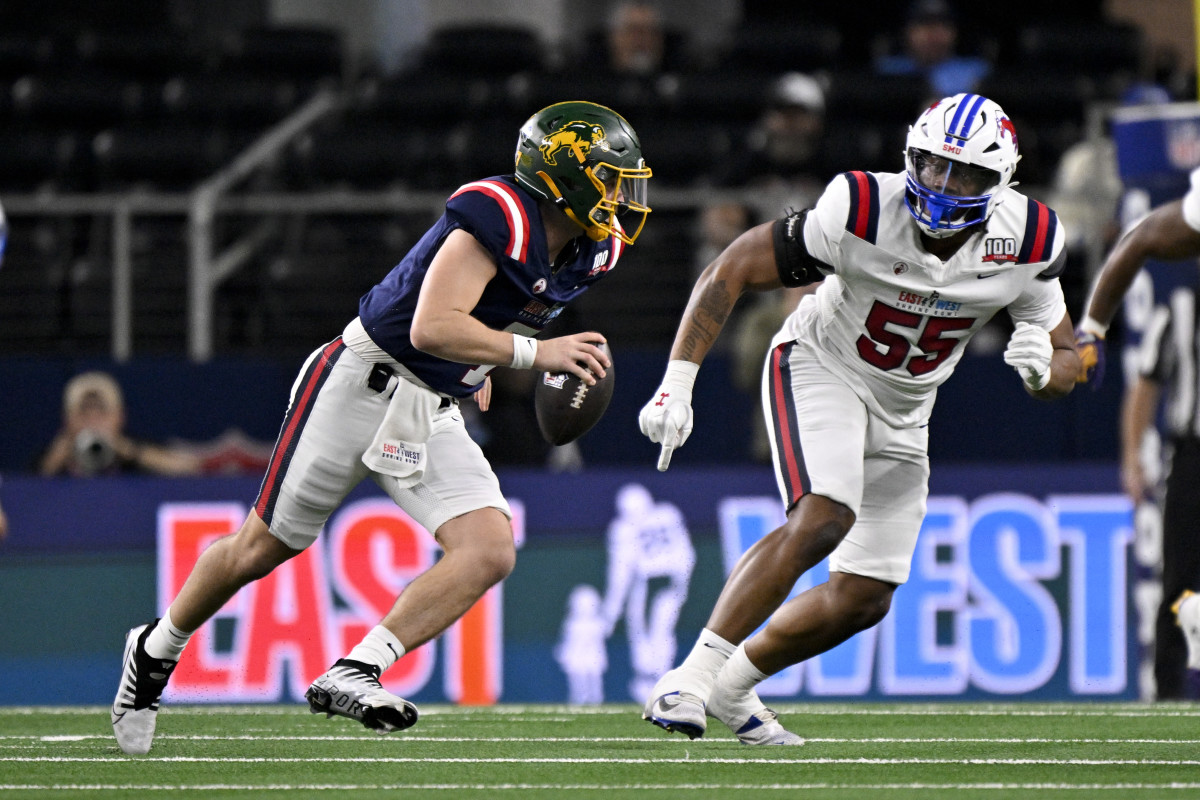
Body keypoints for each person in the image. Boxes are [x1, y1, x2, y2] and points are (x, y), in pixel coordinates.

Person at [110, 100, 653, 755]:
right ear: (561, 175)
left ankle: (356, 668)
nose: (621, 196)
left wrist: (478, 366)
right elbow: (431, 326)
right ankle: (156, 647)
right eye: (609, 179)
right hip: (360, 381)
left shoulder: (593, 251)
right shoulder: (502, 214)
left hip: (432, 403)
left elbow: (503, 307)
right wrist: (530, 354)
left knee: (489, 549)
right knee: (259, 549)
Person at [638, 93, 1079, 745]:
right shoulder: (862, 208)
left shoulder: (1029, 238)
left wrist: (1044, 371)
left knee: (864, 597)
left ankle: (733, 686)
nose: (943, 184)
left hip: (907, 410)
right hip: (824, 367)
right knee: (823, 517)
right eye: (932, 164)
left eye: (965, 173)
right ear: (911, 156)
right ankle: (691, 678)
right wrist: (678, 381)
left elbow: (1069, 355)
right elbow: (733, 267)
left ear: (1001, 180)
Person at [1076, 165, 1200, 698]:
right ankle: (1169, 696)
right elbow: (1143, 236)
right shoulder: (1182, 311)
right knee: (1178, 579)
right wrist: (1092, 327)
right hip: (1193, 453)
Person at [601, 483, 695, 702]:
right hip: (672, 578)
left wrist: (610, 612)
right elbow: (686, 552)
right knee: (662, 631)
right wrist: (683, 580)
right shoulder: (668, 514)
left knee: (643, 631)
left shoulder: (623, 528)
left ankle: (650, 680)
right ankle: (662, 679)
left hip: (649, 580)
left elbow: (620, 573)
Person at [38, 371, 202, 477]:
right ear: (66, 419)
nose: (93, 419)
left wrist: (131, 452)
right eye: (83, 411)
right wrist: (53, 462)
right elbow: (29, 493)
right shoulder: (54, 454)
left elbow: (191, 469)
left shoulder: (133, 450)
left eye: (102, 410)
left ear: (120, 417)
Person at [874, 0, 991, 99]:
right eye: (924, 24)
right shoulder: (887, 70)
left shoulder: (977, 71)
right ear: (907, 31)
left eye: (943, 25)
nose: (933, 35)